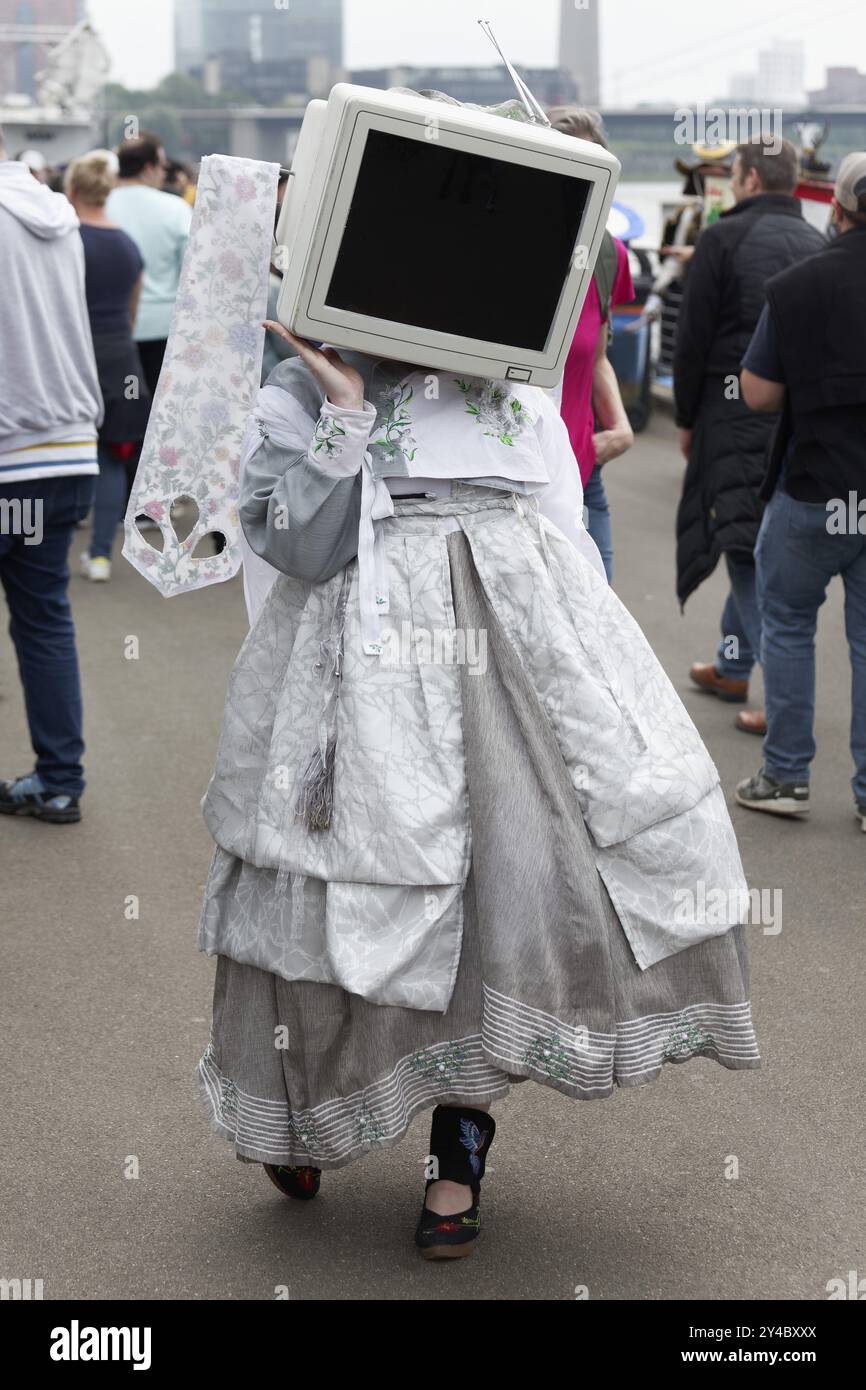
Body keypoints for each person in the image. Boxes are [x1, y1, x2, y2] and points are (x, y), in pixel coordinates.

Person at [674, 136, 824, 733]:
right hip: (795, 421)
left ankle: (780, 706)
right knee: (755, 540)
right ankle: (733, 666)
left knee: (742, 550)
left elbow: (692, 339)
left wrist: (685, 418)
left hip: (731, 407)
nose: (733, 184)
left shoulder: (722, 238)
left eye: (736, 174)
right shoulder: (817, 242)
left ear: (754, 180)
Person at [736, 152, 866, 829]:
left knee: (787, 624)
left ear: (836, 208)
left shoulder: (798, 285)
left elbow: (756, 392)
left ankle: (786, 778)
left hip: (815, 489)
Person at [0, 126, 102, 823]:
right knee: (43, 619)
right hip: (67, 445)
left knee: (43, 620)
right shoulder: (49, 208)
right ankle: (60, 779)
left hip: (8, 447)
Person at [549, 106, 634, 583]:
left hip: (585, 474)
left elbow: (597, 357)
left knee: (601, 622)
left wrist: (620, 427)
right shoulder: (504, 254)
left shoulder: (608, 254)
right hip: (514, 486)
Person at [65, 150, 151, 581]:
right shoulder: (128, 246)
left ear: (72, 189)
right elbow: (132, 314)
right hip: (122, 361)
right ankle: (100, 556)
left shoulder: (66, 240)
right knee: (113, 459)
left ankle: (40, 553)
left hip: (72, 359)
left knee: (60, 455)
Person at [106, 131, 192, 399]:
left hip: (113, 327)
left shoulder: (99, 206)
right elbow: (190, 273)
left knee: (119, 411)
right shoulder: (176, 209)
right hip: (164, 327)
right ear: (148, 168)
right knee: (157, 413)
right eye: (162, 166)